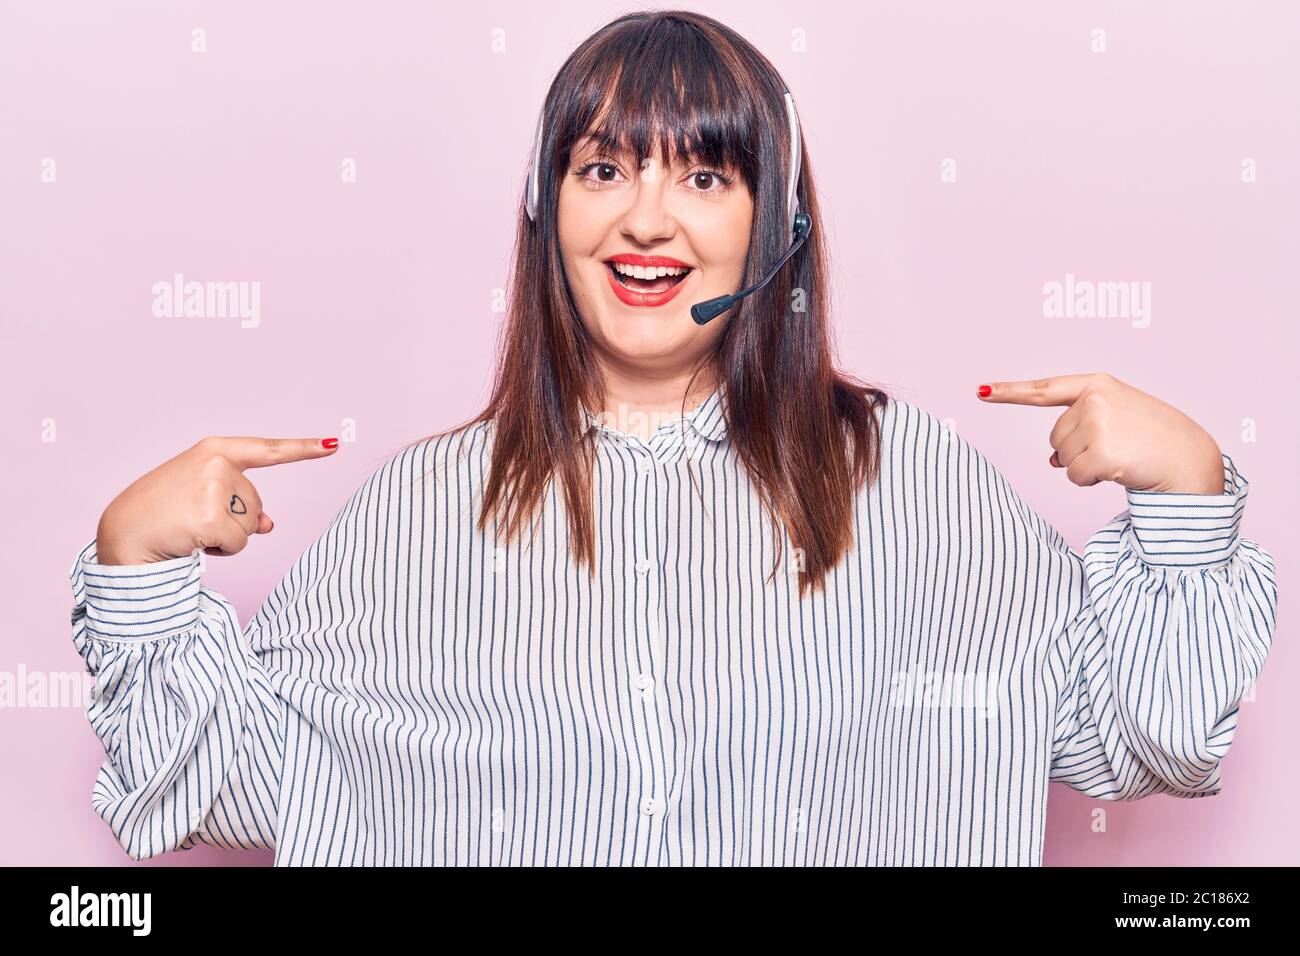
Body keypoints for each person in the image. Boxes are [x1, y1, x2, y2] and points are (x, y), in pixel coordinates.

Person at [69, 10, 1277, 866]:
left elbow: (1136, 737)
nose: (645, 216)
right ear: (549, 211)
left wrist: (1186, 494)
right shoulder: (420, 504)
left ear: (775, 224)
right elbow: (239, 791)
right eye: (604, 167)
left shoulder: (905, 480)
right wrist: (139, 571)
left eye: (704, 176)